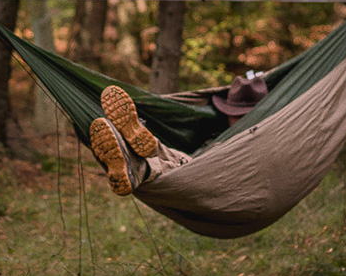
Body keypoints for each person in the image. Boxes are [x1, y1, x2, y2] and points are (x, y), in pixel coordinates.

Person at [89, 74, 268, 196]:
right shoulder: (217, 133)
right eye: (233, 113)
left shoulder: (268, 136)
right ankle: (138, 153)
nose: (236, 119)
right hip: (192, 165)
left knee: (186, 168)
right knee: (179, 162)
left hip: (219, 177)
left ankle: (140, 167)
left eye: (242, 115)